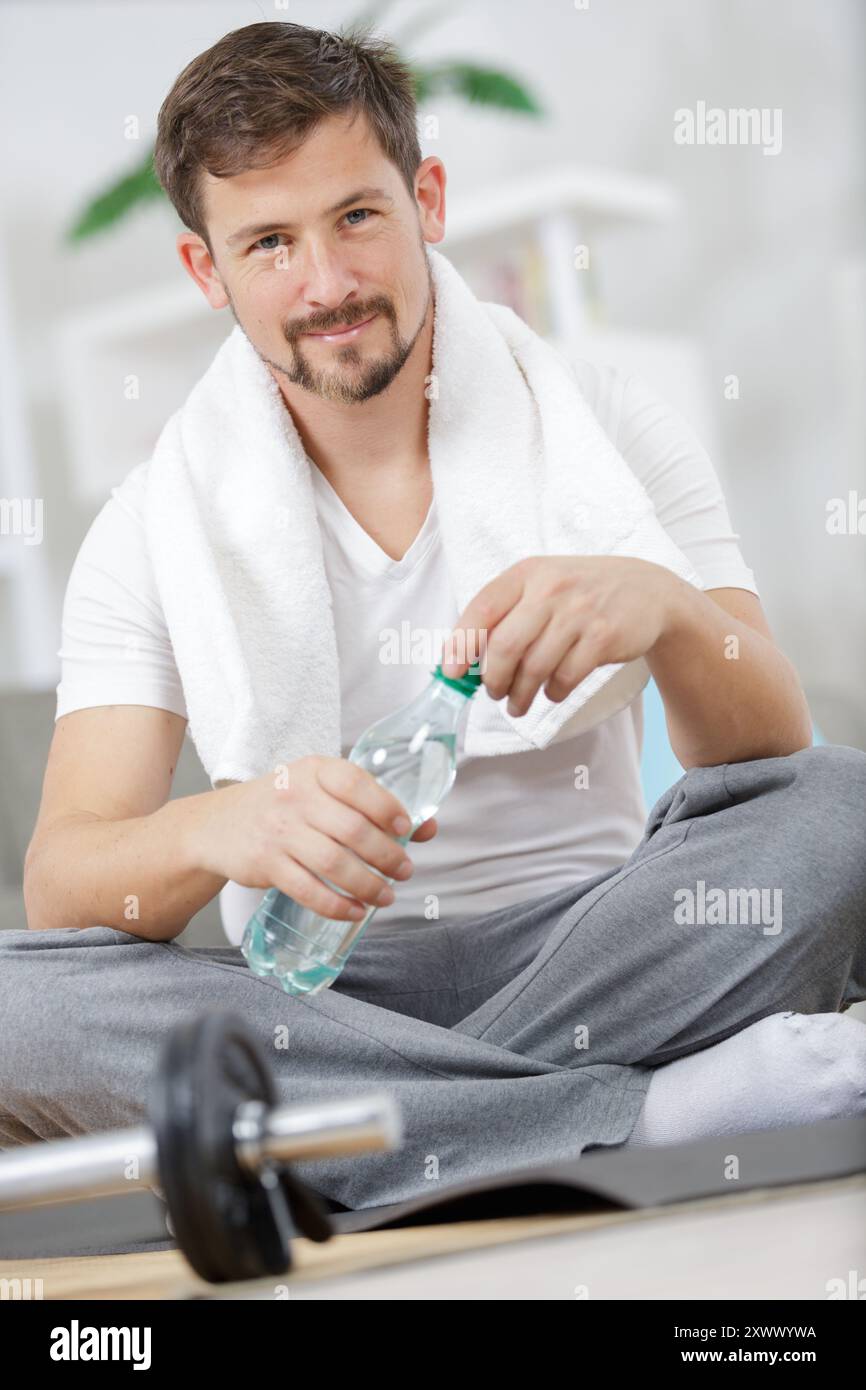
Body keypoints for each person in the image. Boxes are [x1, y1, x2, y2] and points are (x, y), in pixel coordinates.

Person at [2, 22, 865, 1218]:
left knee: (843, 813)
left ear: (428, 201)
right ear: (210, 273)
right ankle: (658, 1112)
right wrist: (224, 825)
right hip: (314, 1003)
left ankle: (350, 1145)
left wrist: (664, 612)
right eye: (268, 242)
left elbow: (766, 752)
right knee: (13, 1006)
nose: (326, 283)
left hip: (603, 949)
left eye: (356, 216)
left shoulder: (605, 422)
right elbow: (64, 876)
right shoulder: (152, 523)